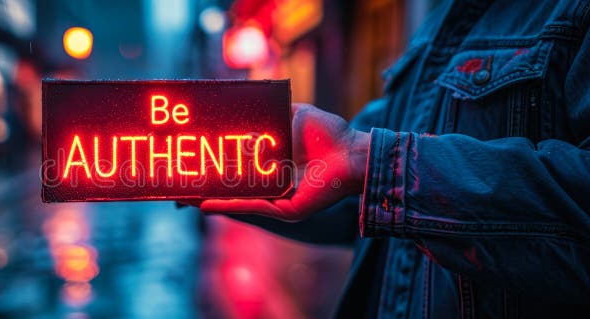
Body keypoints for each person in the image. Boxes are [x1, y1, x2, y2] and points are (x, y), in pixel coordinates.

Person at [199, 1, 590, 317]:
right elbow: (353, 189)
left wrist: (372, 163)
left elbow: (368, 164)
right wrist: (199, 176)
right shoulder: (439, 24)